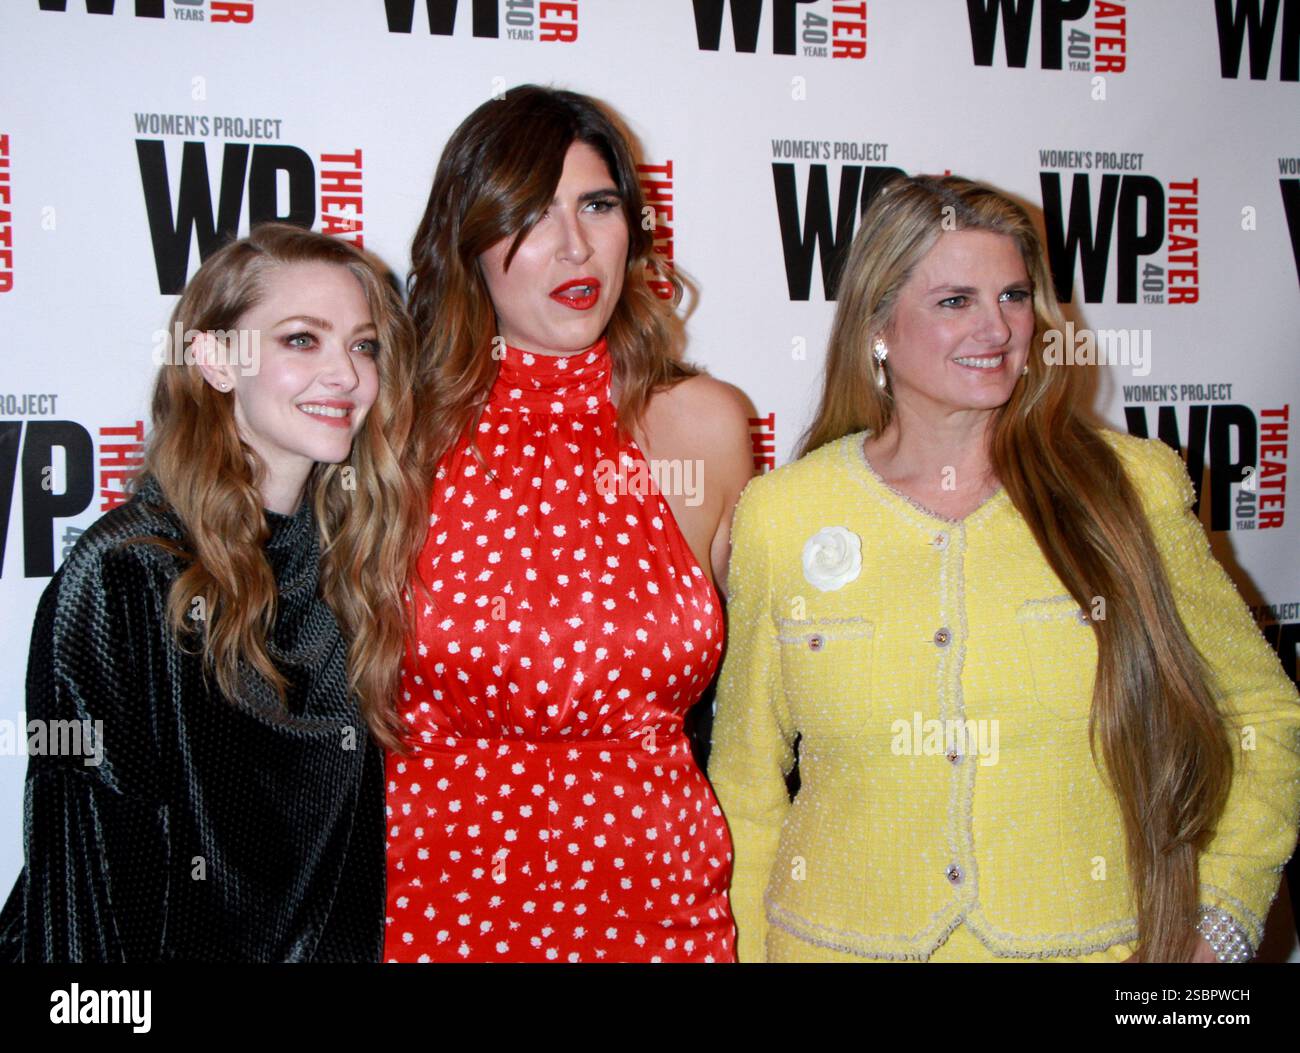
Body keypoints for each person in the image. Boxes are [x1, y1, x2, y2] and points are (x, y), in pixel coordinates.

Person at [708, 174, 1300, 963]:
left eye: (1014, 296)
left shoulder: (1130, 487)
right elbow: (745, 785)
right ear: (878, 326)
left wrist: (1219, 922)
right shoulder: (782, 513)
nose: (996, 328)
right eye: (955, 300)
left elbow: (1262, 713)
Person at [384, 85, 754, 962]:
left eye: (598, 206)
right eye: (533, 215)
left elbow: (769, 691)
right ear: (468, 241)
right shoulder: (394, 430)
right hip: (437, 898)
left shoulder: (702, 425)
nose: (576, 245)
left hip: (658, 900)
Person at [0, 223, 424, 962]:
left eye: (364, 346)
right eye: (302, 340)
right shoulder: (125, 574)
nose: (346, 375)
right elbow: (85, 882)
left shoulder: (354, 567)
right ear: (216, 360)